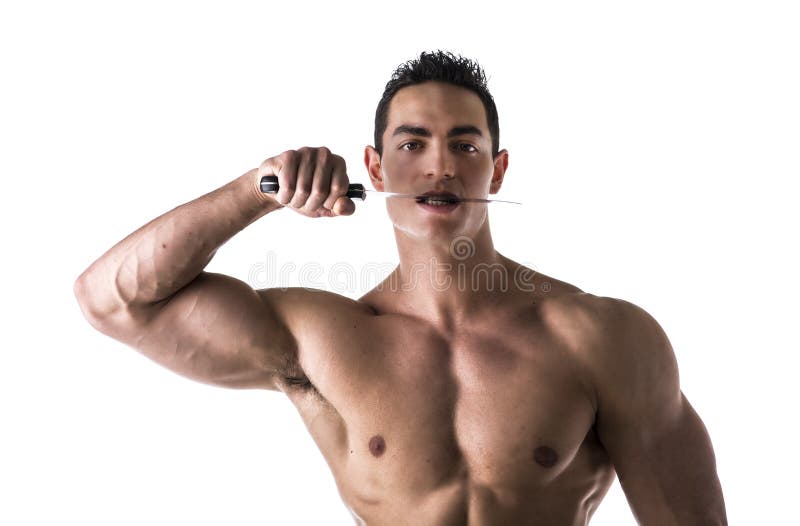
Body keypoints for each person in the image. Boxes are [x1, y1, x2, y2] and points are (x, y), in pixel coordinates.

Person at [74, 50, 727, 525]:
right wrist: (259, 191)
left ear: (496, 172)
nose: (440, 165)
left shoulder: (603, 338)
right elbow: (110, 298)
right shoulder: (320, 339)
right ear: (375, 166)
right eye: (412, 144)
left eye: (464, 146)